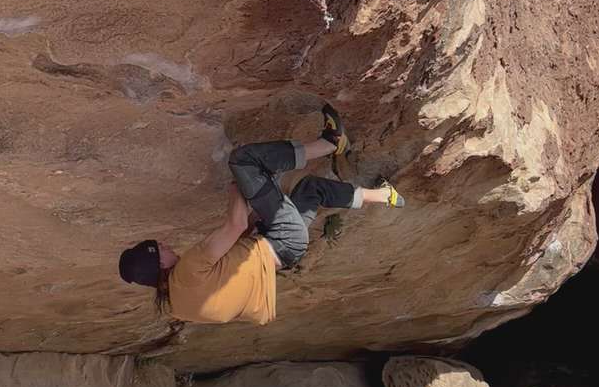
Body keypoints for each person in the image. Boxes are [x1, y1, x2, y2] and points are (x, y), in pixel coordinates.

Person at [118, 104, 404, 334]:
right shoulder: (188, 270)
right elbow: (236, 225)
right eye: (161, 247)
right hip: (282, 238)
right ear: (159, 261)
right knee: (243, 161)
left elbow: (228, 273)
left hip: (283, 254)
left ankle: (384, 196)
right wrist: (238, 191)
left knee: (310, 190)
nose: (167, 245)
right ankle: (332, 143)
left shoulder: (179, 305)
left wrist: (253, 217)